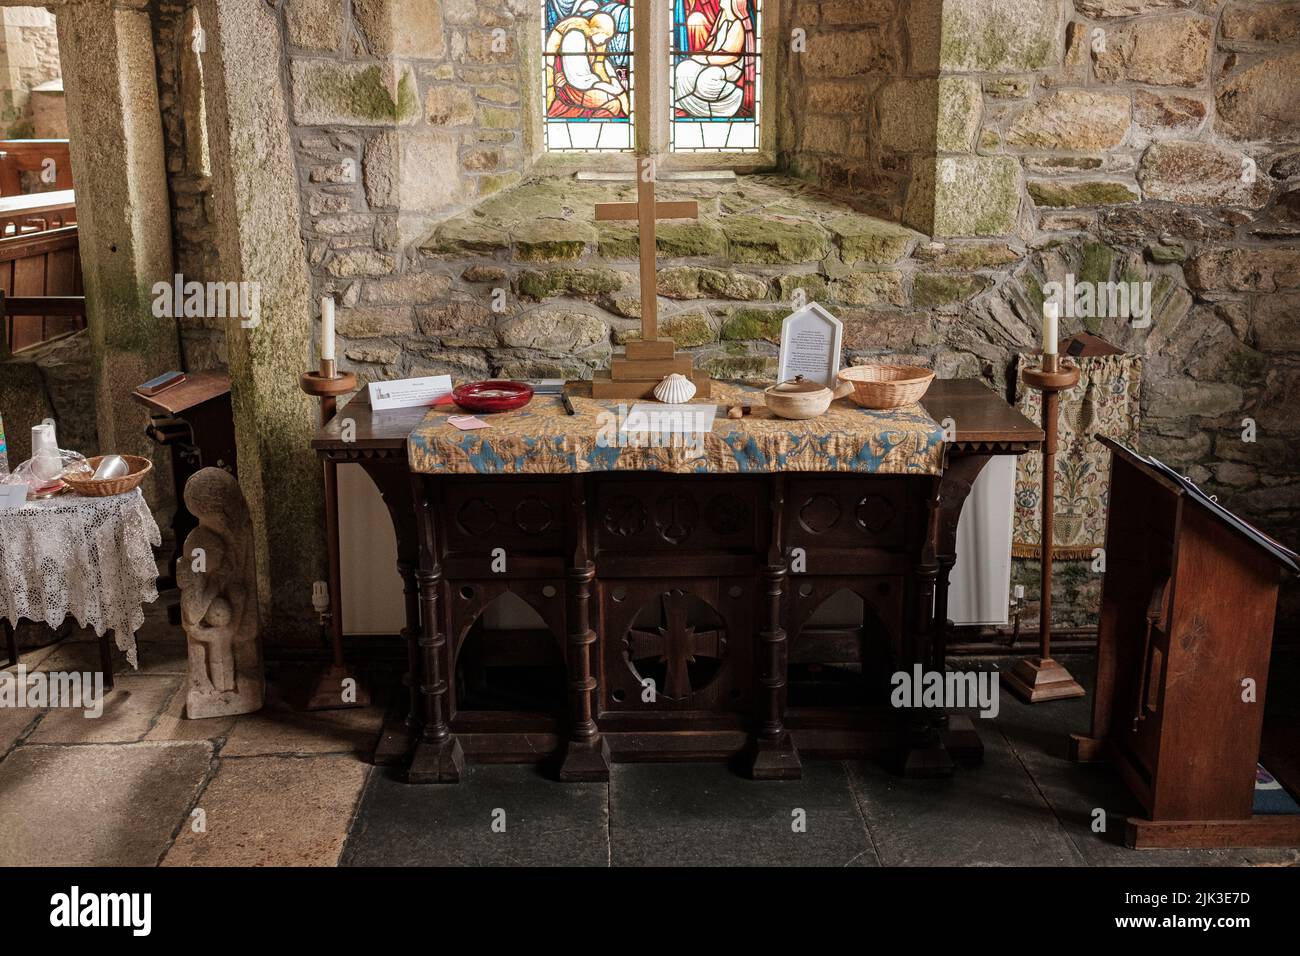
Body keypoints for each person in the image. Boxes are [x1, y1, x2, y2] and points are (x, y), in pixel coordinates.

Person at [545, 3, 630, 119]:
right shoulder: (575, 37)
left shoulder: (593, 43)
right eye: (604, 37)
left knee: (614, 104)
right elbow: (579, 78)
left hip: (583, 86)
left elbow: (604, 63)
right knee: (613, 104)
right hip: (571, 88)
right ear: (594, 29)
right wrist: (613, 90)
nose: (604, 41)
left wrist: (614, 81)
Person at [673, 0, 755, 119]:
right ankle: (684, 105)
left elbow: (731, 56)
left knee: (706, 79)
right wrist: (699, 56)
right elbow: (711, 46)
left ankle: (735, 99)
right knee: (683, 68)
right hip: (714, 61)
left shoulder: (737, 25)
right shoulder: (725, 23)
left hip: (730, 68)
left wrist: (706, 59)